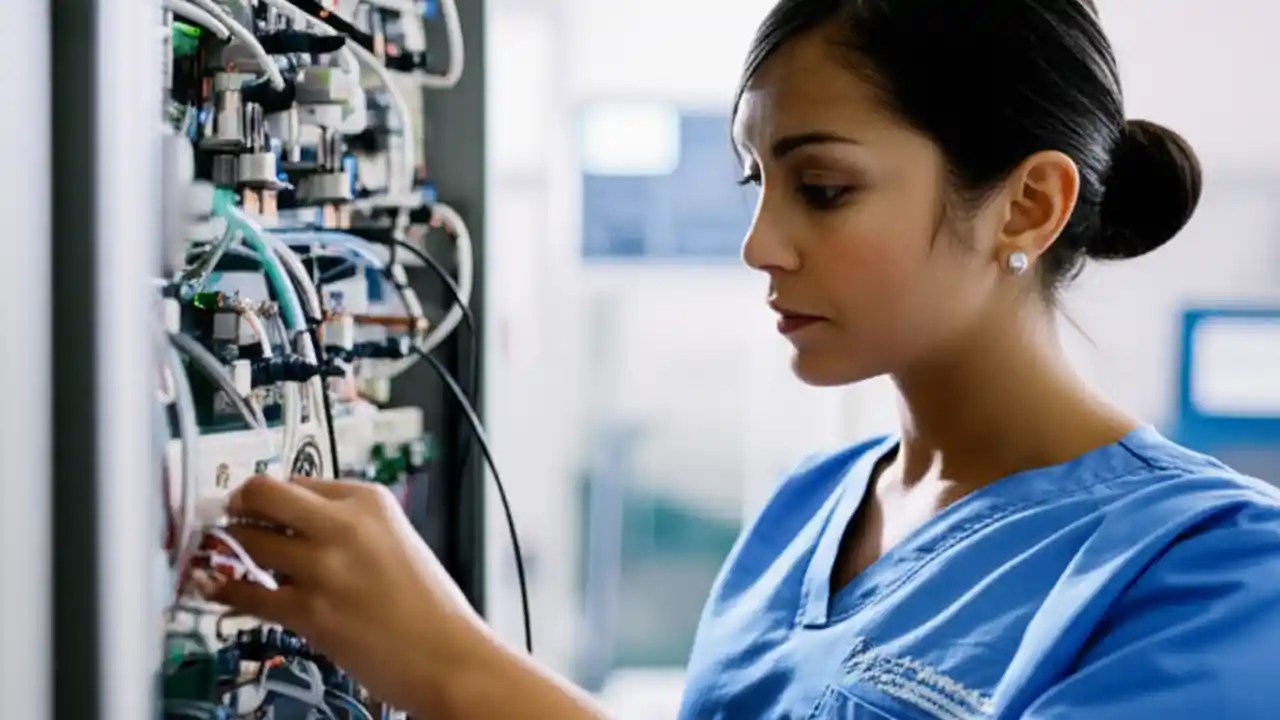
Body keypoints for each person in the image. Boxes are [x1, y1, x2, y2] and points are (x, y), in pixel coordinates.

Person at [200, 0, 1280, 717]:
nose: (759, 245)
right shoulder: (806, 514)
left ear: (1026, 204)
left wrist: (448, 665)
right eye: (751, 183)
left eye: (820, 189)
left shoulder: (1211, 571)